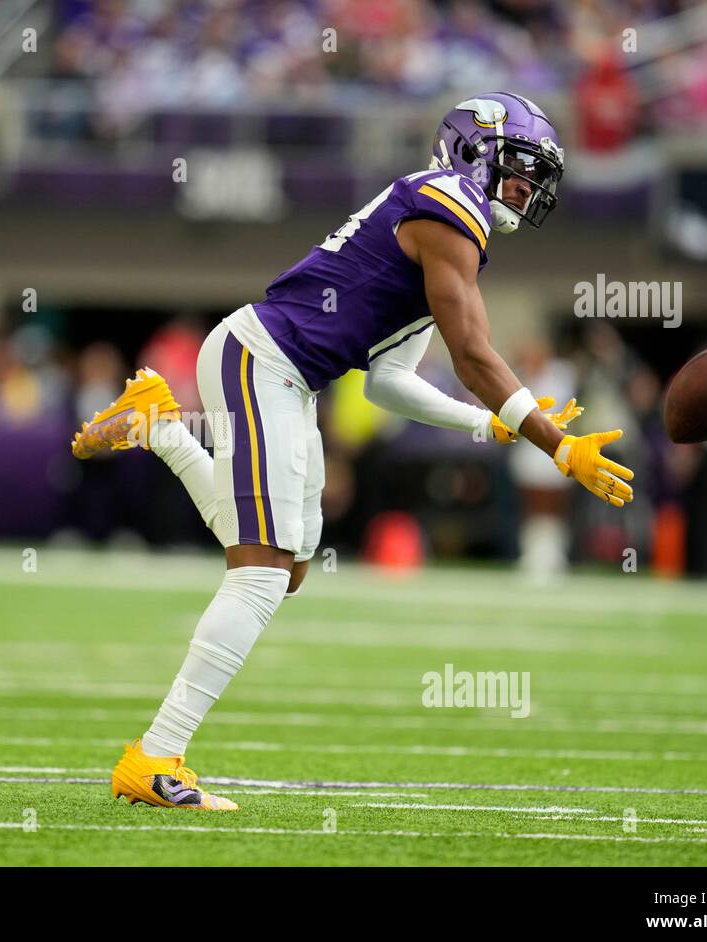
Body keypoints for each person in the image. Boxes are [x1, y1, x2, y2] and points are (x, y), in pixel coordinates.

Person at [70, 93, 631, 811]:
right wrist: (552, 442)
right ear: (474, 152)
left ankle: (160, 426)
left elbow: (392, 384)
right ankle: (155, 755)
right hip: (261, 360)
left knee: (289, 566)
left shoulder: (443, 224)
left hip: (288, 379)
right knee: (261, 574)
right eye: (520, 168)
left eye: (537, 177)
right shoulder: (447, 204)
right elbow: (475, 353)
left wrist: (485, 426)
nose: (527, 188)